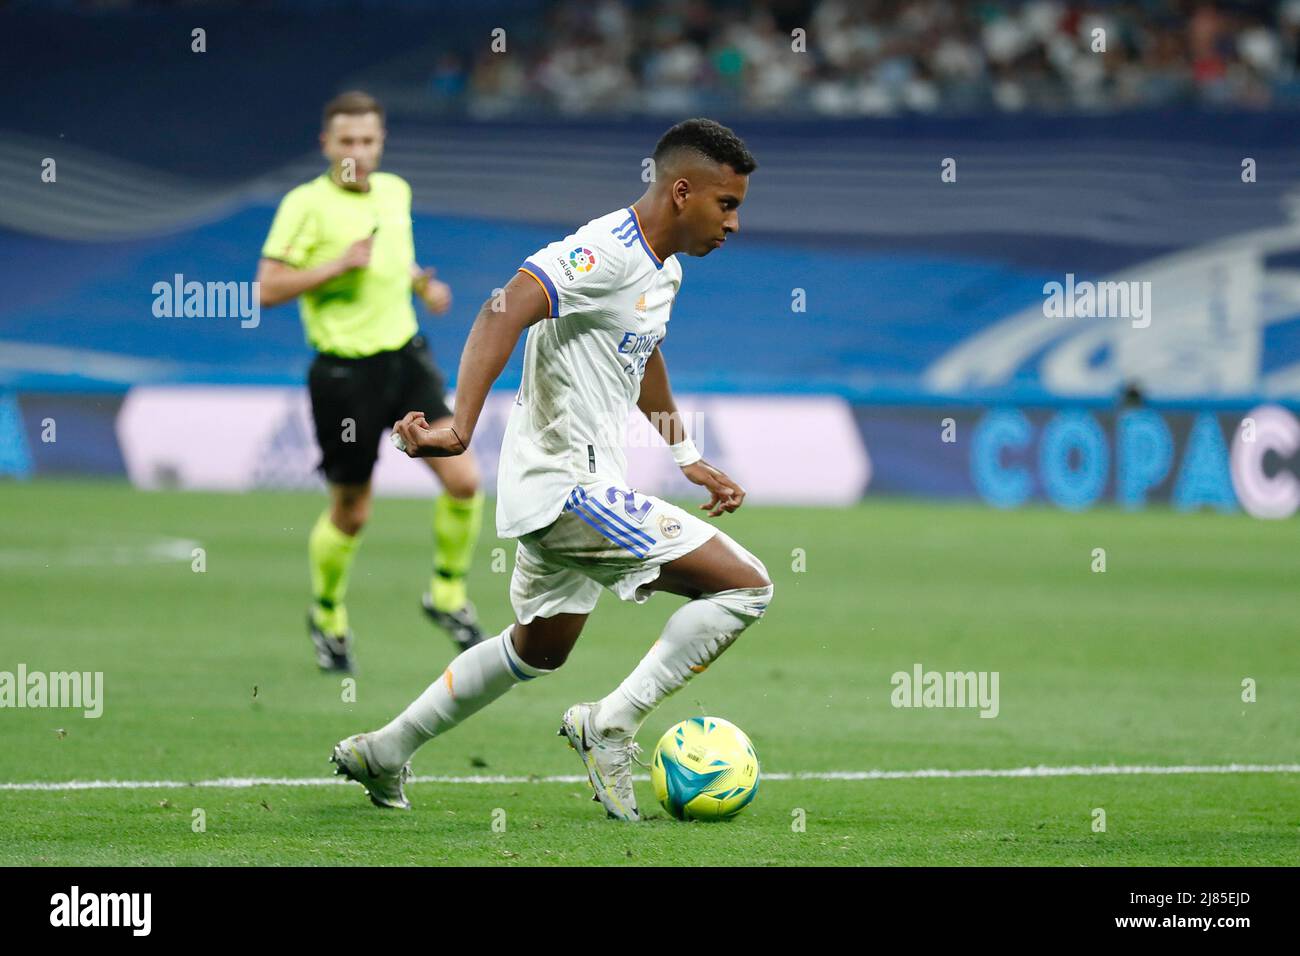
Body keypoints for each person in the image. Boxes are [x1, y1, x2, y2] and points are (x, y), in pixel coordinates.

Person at [331, 118, 772, 821]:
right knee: (746, 587)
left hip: (572, 488)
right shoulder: (606, 251)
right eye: (727, 204)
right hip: (568, 487)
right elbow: (502, 308)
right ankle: (610, 725)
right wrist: (460, 426)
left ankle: (384, 751)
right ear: (682, 191)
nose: (734, 223)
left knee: (540, 649)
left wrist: (686, 456)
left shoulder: (665, 270)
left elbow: (643, 352)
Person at [257, 91, 486, 672]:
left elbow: (393, 256)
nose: (356, 152)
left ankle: (447, 595)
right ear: (326, 144)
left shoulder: (394, 191)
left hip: (405, 360)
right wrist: (337, 265)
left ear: (380, 143)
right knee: (353, 511)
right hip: (344, 374)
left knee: (464, 479)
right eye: (346, 141)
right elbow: (267, 287)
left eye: (367, 141)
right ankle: (327, 615)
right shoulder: (304, 205)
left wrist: (422, 286)